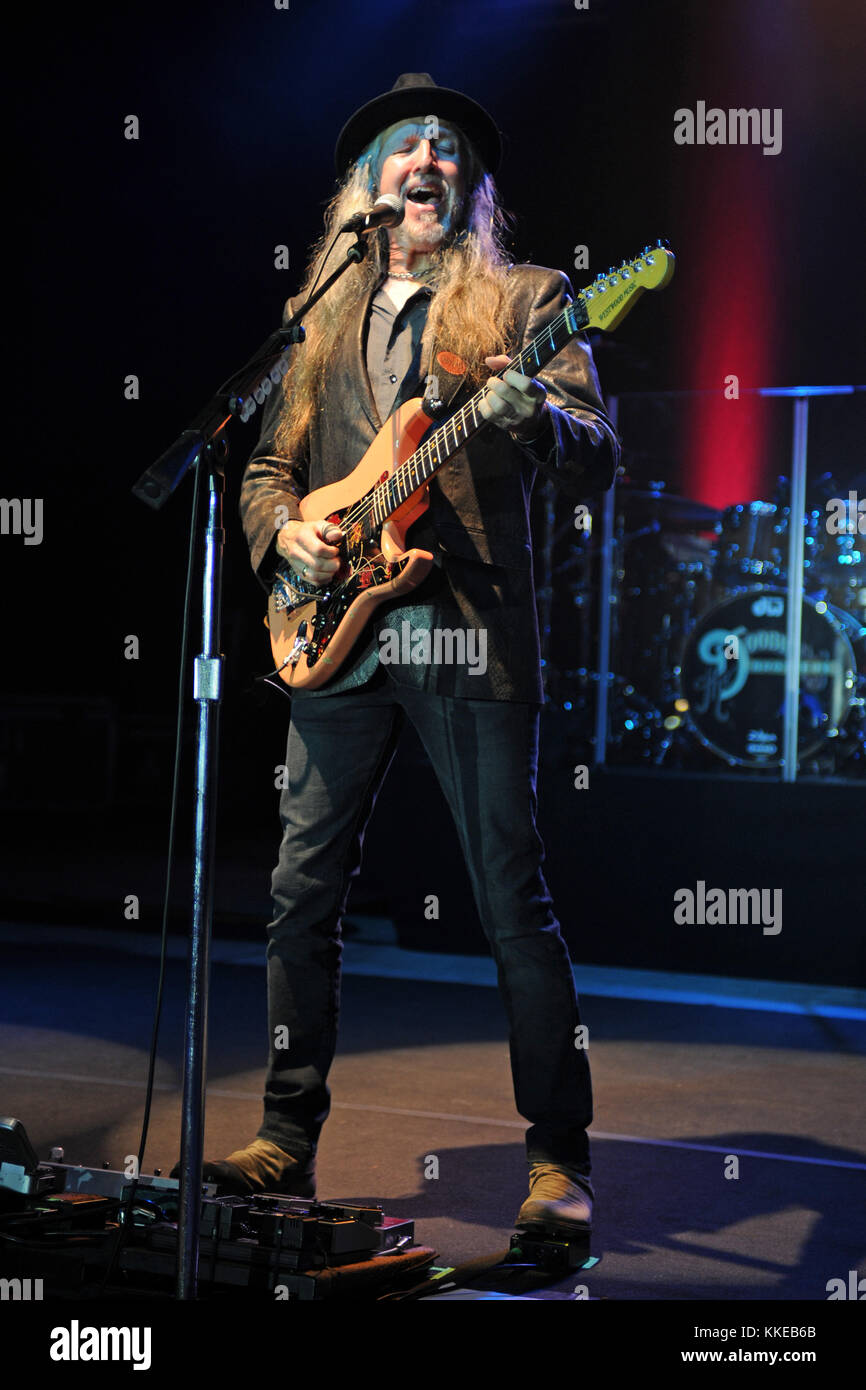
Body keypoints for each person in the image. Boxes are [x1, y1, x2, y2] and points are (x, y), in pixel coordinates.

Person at [207, 74, 619, 1233]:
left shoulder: (528, 300)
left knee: (507, 897)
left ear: (469, 187)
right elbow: (263, 470)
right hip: (337, 629)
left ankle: (555, 1161)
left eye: (446, 149)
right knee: (299, 895)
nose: (426, 160)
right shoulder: (323, 315)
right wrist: (280, 529)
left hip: (467, 627)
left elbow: (593, 453)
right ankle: (285, 1136)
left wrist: (528, 409)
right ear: (366, 184)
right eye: (403, 146)